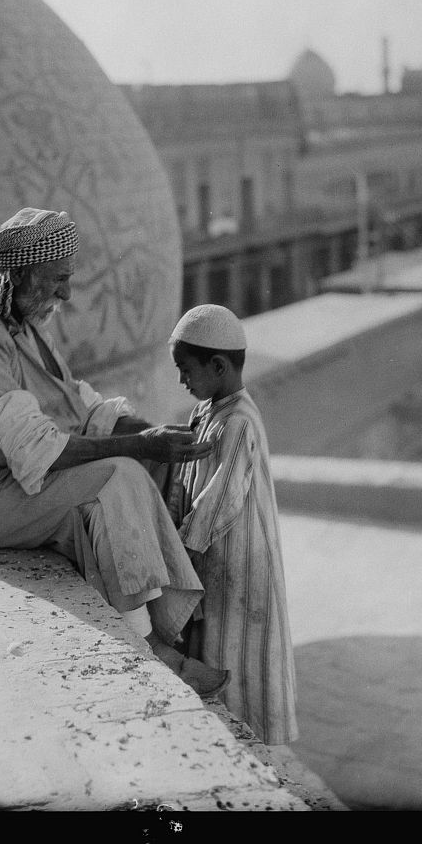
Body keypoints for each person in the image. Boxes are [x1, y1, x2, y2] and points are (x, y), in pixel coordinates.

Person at [0, 207, 231, 699]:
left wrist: (150, 435)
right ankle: (152, 647)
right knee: (119, 475)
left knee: (145, 464)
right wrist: (138, 446)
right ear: (20, 273)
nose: (66, 294)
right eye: (58, 280)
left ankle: (169, 626)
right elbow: (35, 450)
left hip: (15, 488)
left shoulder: (19, 316)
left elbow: (75, 403)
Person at [169, 304, 298, 744]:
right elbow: (186, 482)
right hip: (212, 560)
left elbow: (218, 501)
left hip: (240, 565)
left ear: (219, 366)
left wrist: (180, 550)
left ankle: (249, 745)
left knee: (240, 657)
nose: (182, 380)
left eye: (186, 369)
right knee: (217, 650)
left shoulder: (239, 421)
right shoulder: (205, 412)